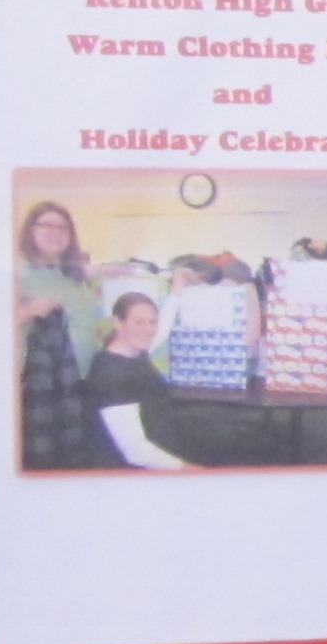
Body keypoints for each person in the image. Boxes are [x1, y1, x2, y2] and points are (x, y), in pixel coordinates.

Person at [14, 201, 106, 471]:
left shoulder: (71, 278)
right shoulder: (19, 272)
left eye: (62, 227)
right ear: (30, 231)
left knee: (74, 458)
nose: (56, 232)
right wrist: (30, 309)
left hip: (80, 382)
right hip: (43, 384)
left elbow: (84, 322)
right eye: (46, 225)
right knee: (46, 461)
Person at [81, 293, 194, 471]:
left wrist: (176, 293)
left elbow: (159, 333)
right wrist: (190, 470)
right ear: (117, 323)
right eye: (139, 322)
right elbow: (136, 451)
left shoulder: (135, 352)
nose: (149, 329)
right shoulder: (112, 375)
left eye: (152, 322)